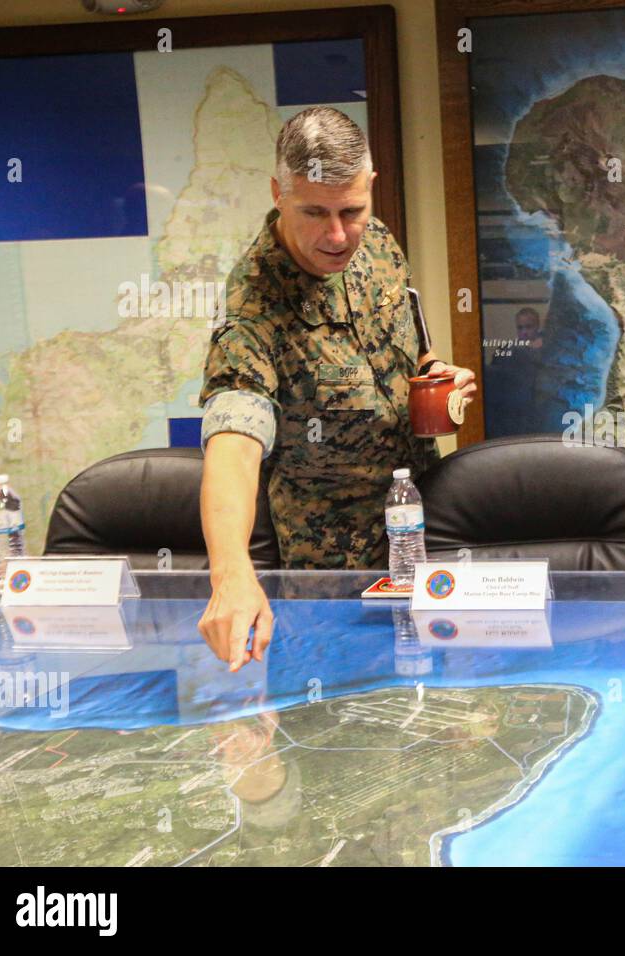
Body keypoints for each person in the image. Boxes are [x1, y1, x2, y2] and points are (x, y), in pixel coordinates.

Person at [197, 107, 475, 671]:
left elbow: (408, 333)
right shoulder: (256, 298)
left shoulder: (377, 242)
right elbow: (234, 433)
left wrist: (436, 370)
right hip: (333, 578)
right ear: (279, 192)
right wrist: (229, 575)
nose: (337, 234)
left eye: (352, 210)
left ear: (371, 187)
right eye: (314, 213)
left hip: (425, 536)